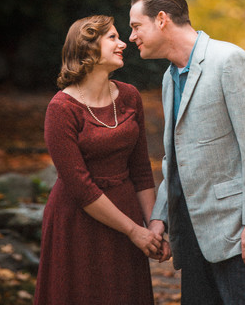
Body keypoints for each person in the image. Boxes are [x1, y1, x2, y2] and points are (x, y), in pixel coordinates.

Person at [129, 0, 245, 305]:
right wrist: (159, 219)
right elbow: (174, 159)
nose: (132, 37)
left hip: (241, 234)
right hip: (193, 237)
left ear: (161, 19)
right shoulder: (169, 78)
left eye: (137, 26)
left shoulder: (229, 61)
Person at [34, 15, 161, 305]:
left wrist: (153, 226)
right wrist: (134, 230)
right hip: (77, 220)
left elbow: (141, 169)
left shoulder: (130, 96)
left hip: (128, 214)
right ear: (88, 48)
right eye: (113, 38)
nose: (123, 44)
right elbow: (80, 186)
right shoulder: (61, 108)